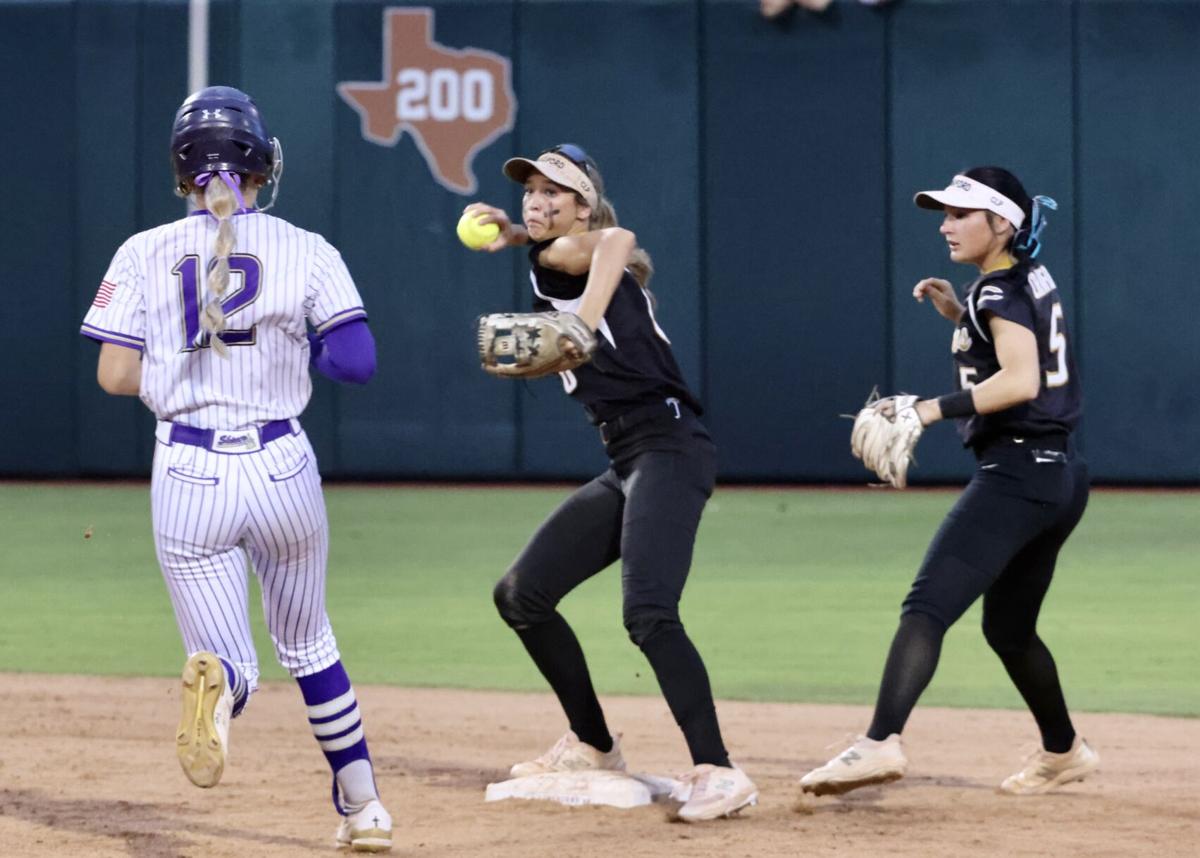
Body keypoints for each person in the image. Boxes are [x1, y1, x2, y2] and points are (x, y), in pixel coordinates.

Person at [80, 86, 392, 852]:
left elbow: (114, 376)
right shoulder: (308, 248)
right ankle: (366, 810)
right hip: (283, 463)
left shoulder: (141, 251)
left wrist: (178, 374)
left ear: (183, 171)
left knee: (226, 659)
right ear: (260, 163)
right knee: (311, 644)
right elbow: (357, 362)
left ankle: (224, 697)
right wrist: (302, 349)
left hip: (189, 474)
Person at [464, 144, 758, 821]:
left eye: (553, 193)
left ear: (583, 206)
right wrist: (514, 235)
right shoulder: (552, 254)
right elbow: (579, 256)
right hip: (629, 455)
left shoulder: (575, 254)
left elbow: (618, 239)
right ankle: (595, 744)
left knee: (648, 613)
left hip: (670, 446)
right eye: (529, 192)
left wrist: (579, 321)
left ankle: (719, 770)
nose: (536, 202)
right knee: (522, 595)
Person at [800, 167, 1099, 797]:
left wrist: (928, 409)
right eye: (945, 213)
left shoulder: (996, 294)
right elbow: (1014, 342)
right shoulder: (1018, 279)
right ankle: (1063, 751)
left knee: (927, 607)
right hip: (1063, 475)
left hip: (1017, 473)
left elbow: (1020, 381)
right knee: (1009, 630)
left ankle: (879, 742)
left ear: (1002, 223)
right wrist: (956, 314)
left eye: (961, 213)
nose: (945, 224)